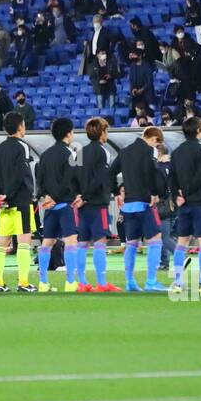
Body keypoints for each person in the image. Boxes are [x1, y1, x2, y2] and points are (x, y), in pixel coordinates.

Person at [0, 111, 37, 293]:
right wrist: (8, 194)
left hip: (4, 205)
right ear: (20, 126)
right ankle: (23, 283)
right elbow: (21, 175)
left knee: (1, 242)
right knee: (24, 242)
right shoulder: (22, 147)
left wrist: (0, 195)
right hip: (20, 201)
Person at [112, 124, 167, 292]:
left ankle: (130, 282)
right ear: (153, 139)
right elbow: (152, 174)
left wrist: (116, 192)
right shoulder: (149, 152)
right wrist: (156, 192)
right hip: (144, 203)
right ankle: (151, 281)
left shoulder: (124, 151)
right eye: (157, 145)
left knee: (132, 243)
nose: (157, 148)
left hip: (128, 205)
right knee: (156, 239)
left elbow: (110, 172)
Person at [34, 117, 82, 293]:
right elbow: (70, 180)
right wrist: (55, 196)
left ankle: (43, 282)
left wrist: (45, 196)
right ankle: (70, 282)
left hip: (49, 206)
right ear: (68, 133)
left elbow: (39, 178)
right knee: (71, 242)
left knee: (46, 243)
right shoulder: (70, 154)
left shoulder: (45, 154)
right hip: (64, 205)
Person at [170, 117, 201, 292]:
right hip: (199, 201)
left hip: (183, 204)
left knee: (182, 242)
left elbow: (171, 177)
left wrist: (176, 196)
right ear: (198, 130)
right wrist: (187, 194)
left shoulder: (176, 152)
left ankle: (178, 282)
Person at [77, 116, 119, 292]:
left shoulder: (79, 152)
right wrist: (86, 196)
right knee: (100, 242)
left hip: (81, 204)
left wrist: (78, 196)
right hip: (96, 203)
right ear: (101, 132)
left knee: (82, 243)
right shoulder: (104, 152)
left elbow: (74, 176)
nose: (107, 134)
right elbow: (101, 178)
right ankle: (101, 283)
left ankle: (81, 282)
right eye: (106, 130)